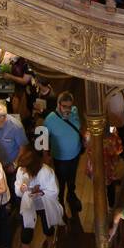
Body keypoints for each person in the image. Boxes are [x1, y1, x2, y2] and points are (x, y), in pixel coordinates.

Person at [13, 145, 62, 248]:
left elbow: (54, 192)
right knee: (26, 234)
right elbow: (17, 188)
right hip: (29, 206)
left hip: (44, 205)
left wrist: (40, 193)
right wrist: (21, 190)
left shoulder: (46, 172)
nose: (22, 170)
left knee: (48, 229)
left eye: (24, 168)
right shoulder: (21, 172)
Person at [45, 91, 84, 220]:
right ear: (58, 105)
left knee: (72, 179)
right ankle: (60, 201)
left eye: (69, 106)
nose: (67, 110)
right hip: (60, 158)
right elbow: (44, 139)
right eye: (64, 106)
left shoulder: (75, 111)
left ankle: (71, 196)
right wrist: (46, 155)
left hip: (75, 154)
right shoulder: (50, 119)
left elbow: (78, 126)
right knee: (61, 182)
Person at [0, 101, 28, 215]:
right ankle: (5, 204)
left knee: (13, 186)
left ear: (3, 117)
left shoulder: (16, 127)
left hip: (10, 164)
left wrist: (14, 164)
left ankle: (17, 209)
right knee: (0, 186)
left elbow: (22, 147)